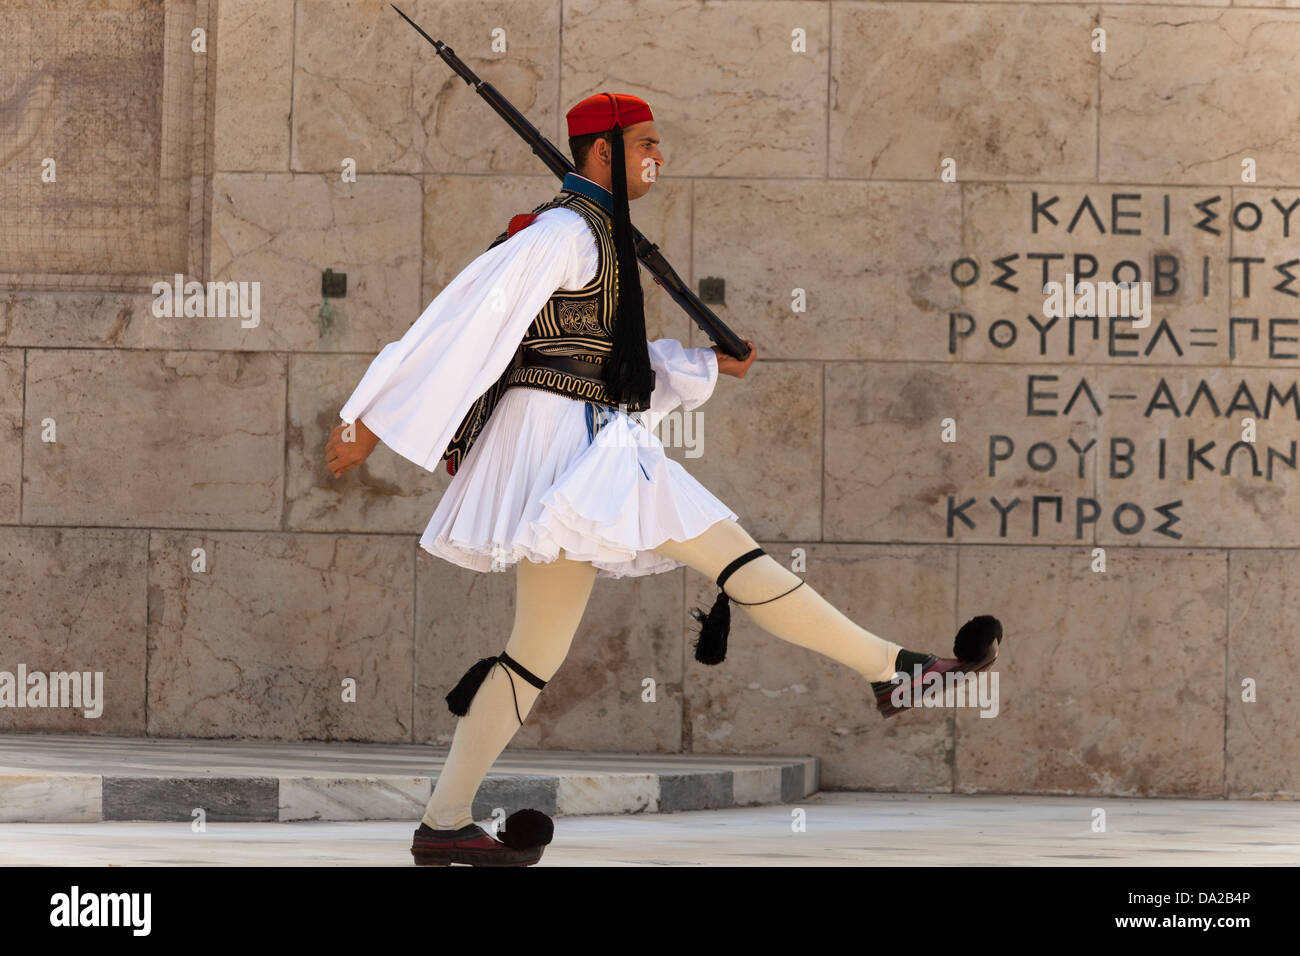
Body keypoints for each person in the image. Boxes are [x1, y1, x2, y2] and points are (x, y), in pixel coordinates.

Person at [325, 92, 1002, 867]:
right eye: (645, 142)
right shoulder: (562, 232)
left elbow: (609, 358)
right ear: (602, 151)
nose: (659, 155)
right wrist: (368, 421)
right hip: (568, 440)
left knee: (530, 656)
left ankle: (444, 825)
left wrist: (708, 363)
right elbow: (464, 319)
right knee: (738, 560)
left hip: (585, 434)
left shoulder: (600, 234)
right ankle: (895, 671)